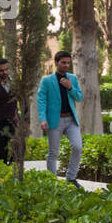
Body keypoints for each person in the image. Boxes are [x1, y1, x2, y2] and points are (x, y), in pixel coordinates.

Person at [38, 50, 84, 188]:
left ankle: (71, 178)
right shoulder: (46, 80)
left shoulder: (73, 79)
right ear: (56, 62)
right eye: (63, 62)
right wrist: (43, 119)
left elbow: (79, 97)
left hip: (71, 120)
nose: (66, 65)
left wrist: (70, 88)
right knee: (53, 152)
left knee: (77, 147)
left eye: (68, 63)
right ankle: (52, 181)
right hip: (54, 120)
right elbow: (41, 101)